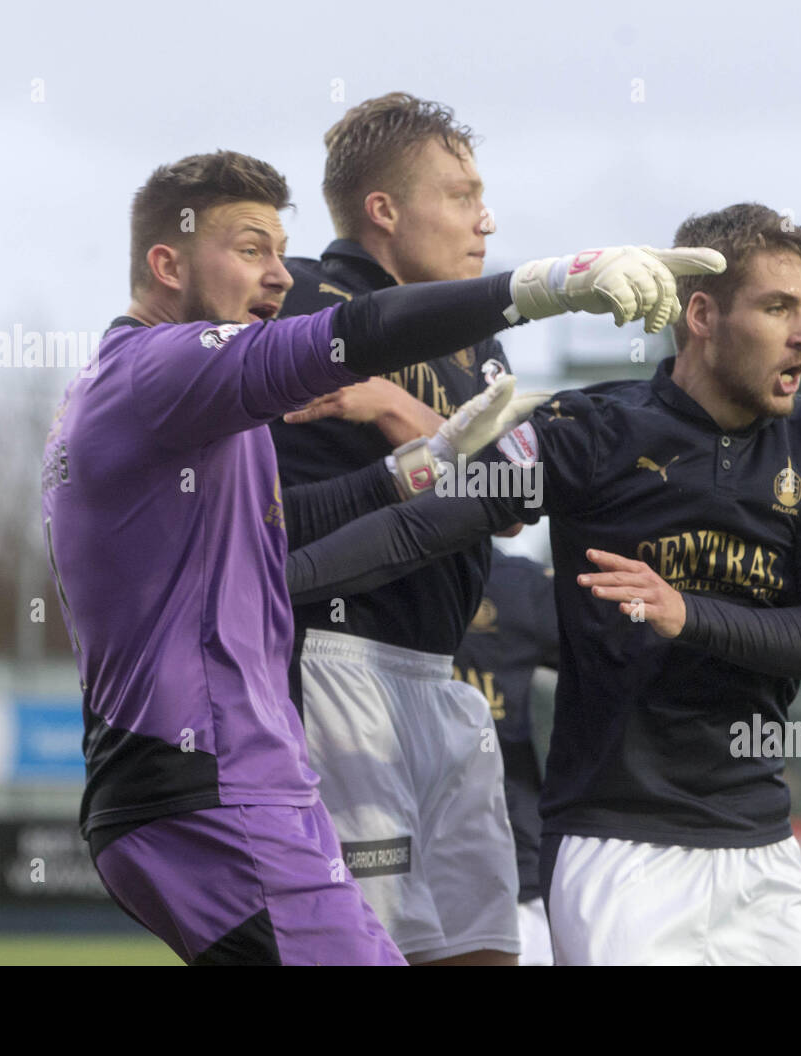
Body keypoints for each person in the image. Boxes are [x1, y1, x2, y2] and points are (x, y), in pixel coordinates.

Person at [40, 147, 712, 965]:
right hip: (212, 786)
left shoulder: (159, 400)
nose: (281, 275)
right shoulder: (165, 365)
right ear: (166, 262)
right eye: (251, 249)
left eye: (281, 251)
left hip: (190, 787)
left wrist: (414, 467)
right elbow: (351, 336)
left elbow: (276, 531)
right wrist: (552, 285)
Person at [285, 202, 801, 965]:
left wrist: (681, 612)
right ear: (701, 314)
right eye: (777, 308)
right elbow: (416, 529)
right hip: (616, 845)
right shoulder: (588, 429)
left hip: (764, 853)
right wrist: (264, 580)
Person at [268, 92, 523, 965]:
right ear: (383, 209)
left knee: (486, 946)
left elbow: (519, 495)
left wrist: (395, 407)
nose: (484, 219)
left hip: (442, 676)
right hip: (337, 664)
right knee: (373, 949)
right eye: (459, 195)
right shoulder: (299, 296)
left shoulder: (480, 343)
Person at [452, 551, 560, 965]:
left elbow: (614, 655)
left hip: (513, 868)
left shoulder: (518, 586)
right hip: (394, 859)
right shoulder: (369, 566)